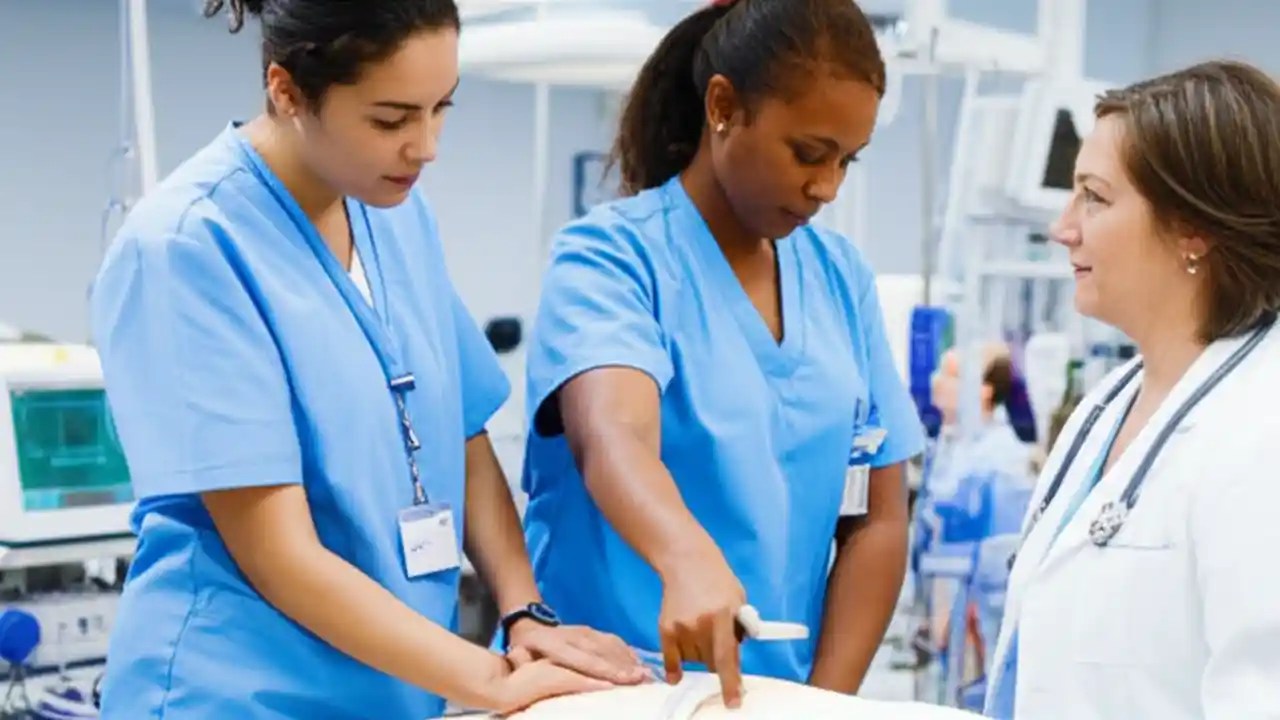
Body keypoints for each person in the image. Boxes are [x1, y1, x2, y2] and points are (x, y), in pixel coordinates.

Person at [88, 1, 648, 718]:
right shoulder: (189, 247)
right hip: (235, 693)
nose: (426, 147)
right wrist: (491, 681)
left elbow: (463, 435)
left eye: (441, 109)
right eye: (391, 120)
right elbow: (278, 554)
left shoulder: (397, 216)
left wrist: (524, 611)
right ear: (287, 91)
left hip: (390, 691)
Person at [517, 0, 926, 708]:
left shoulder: (839, 278)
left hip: (777, 698)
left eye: (846, 160)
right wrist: (686, 558)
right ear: (723, 107)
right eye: (808, 153)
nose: (826, 187)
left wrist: (821, 705)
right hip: (616, 691)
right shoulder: (612, 258)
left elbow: (879, 518)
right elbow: (612, 434)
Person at [985, 59, 1280, 719]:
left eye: (1094, 196)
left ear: (1193, 228)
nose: (1064, 227)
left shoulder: (1264, 433)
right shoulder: (1108, 404)